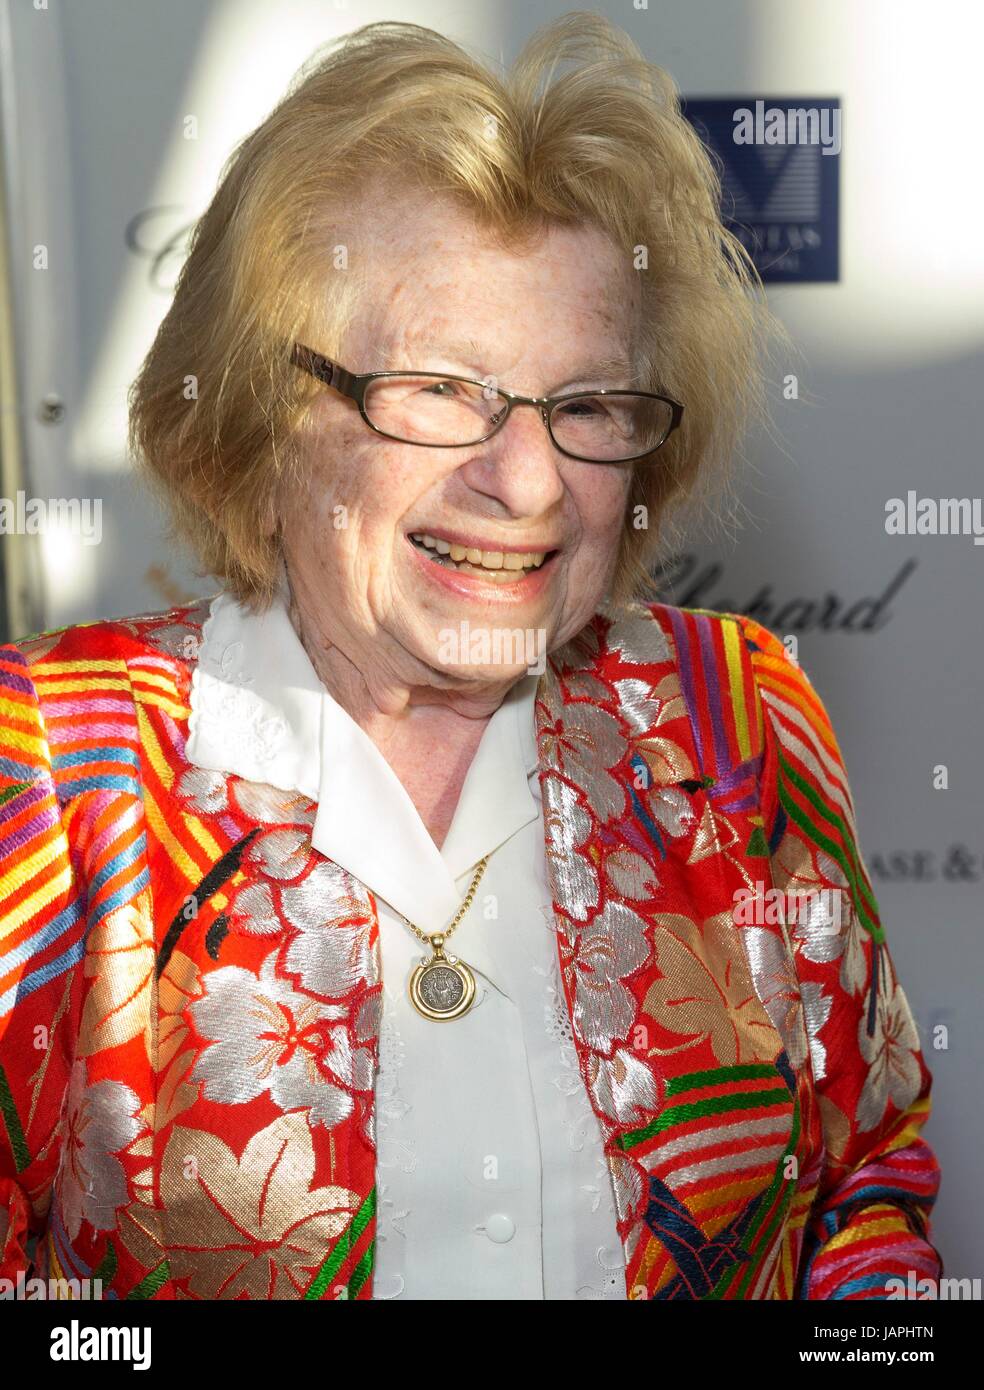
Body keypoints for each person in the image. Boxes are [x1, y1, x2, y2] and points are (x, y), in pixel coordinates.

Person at [0, 13, 941, 1301]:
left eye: (589, 405)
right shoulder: (59, 765)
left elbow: (862, 1183)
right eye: (442, 390)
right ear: (268, 421)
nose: (534, 484)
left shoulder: (734, 715)